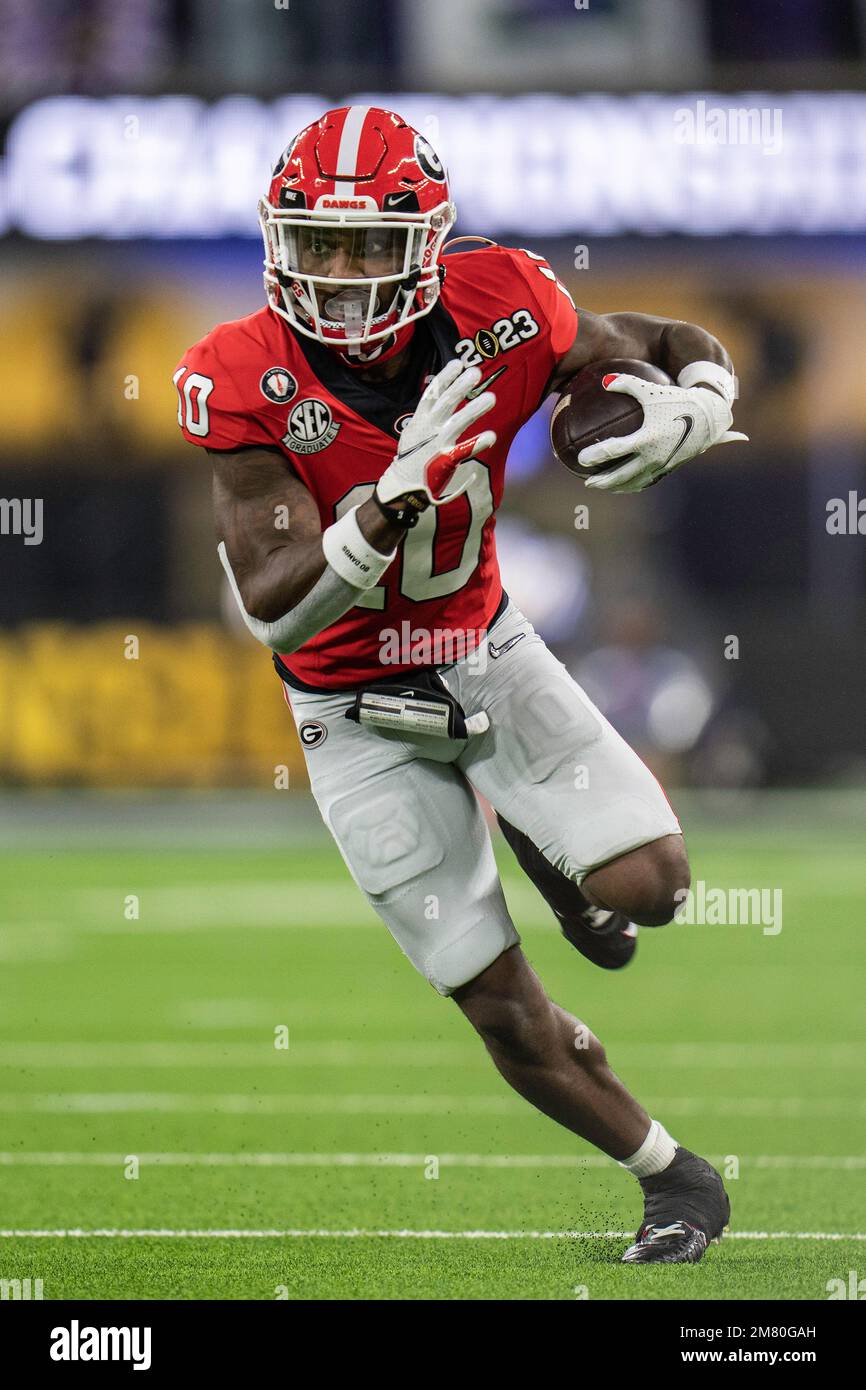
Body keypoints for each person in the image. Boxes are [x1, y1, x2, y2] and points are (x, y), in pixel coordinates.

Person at [175, 106, 746, 1263]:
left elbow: (653, 335)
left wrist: (696, 396)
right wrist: (389, 497)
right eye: (317, 244)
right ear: (278, 242)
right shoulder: (236, 373)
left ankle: (551, 856)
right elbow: (275, 604)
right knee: (495, 999)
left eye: (366, 248)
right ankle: (671, 1178)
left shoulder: (503, 301)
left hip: (482, 648)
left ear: (427, 245)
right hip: (347, 710)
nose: (339, 276)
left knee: (650, 891)